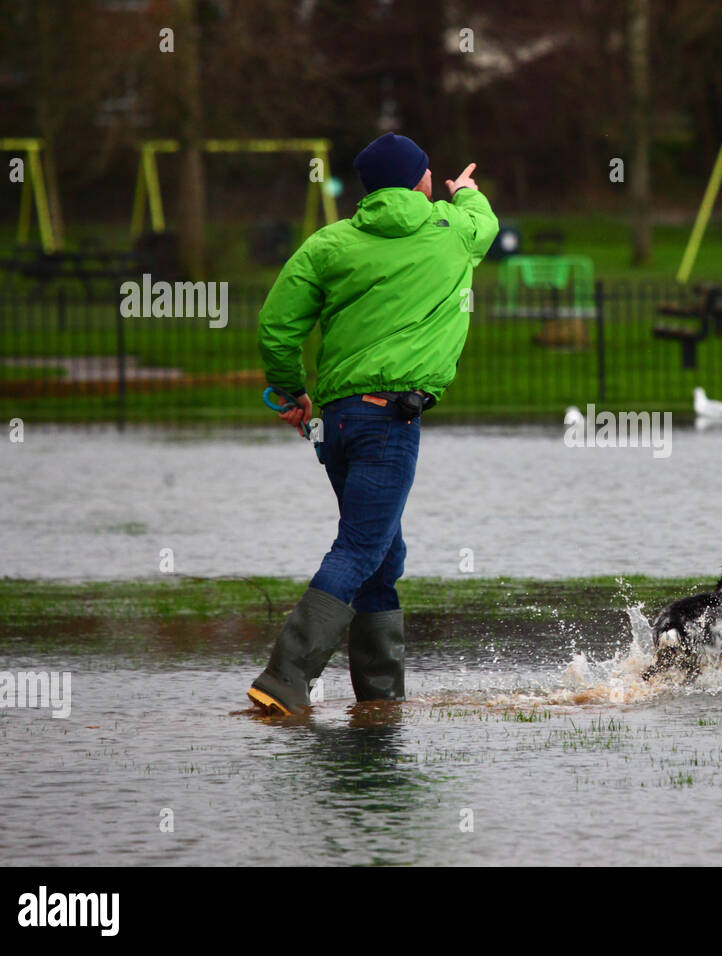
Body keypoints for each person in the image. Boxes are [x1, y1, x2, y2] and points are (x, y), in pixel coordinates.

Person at [247, 133, 498, 715]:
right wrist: (468, 194)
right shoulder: (452, 229)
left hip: (338, 423)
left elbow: (276, 327)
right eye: (431, 174)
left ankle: (380, 702)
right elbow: (483, 223)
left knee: (383, 557)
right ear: (421, 180)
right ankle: (284, 677)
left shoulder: (329, 243)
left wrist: (290, 390)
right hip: (391, 420)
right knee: (361, 547)